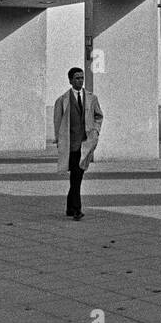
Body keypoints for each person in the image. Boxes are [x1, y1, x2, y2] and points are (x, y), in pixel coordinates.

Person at [54, 67, 103, 220]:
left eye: (82, 78)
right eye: (76, 78)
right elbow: (57, 122)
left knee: (77, 176)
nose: (80, 81)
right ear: (70, 80)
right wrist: (60, 141)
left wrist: (95, 131)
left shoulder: (91, 98)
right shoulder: (62, 100)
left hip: (85, 144)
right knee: (76, 176)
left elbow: (98, 116)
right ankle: (76, 209)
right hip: (71, 145)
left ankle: (70, 207)